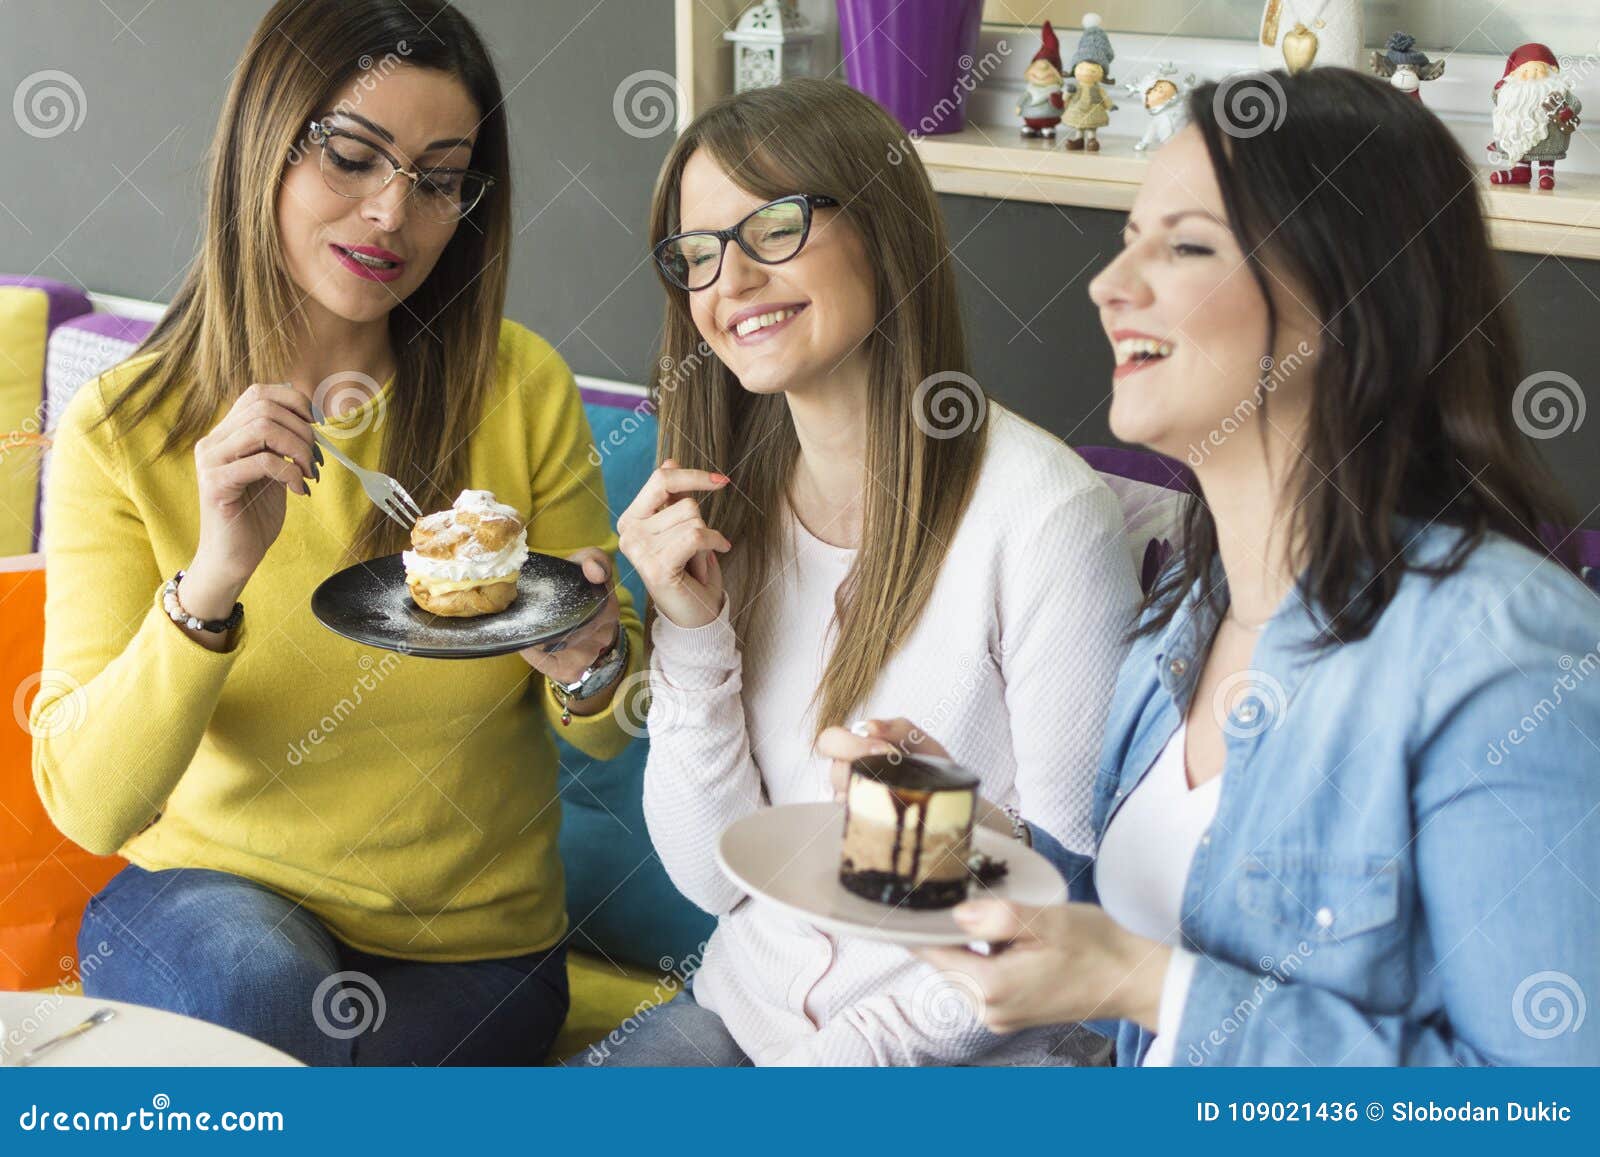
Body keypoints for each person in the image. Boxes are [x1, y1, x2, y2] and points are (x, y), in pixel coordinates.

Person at [826, 68, 1600, 1067]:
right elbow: (1144, 916)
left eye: (1187, 245)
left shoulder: (1508, 663)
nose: (1109, 285)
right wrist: (966, 838)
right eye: (1128, 239)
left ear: (1352, 298)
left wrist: (1146, 982)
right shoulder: (1187, 616)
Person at [32, 0, 642, 1066]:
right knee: (269, 999)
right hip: (209, 907)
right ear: (261, 144)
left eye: (439, 180)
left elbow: (607, 727)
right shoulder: (123, 429)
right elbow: (89, 804)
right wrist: (215, 576)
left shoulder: (521, 387)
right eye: (353, 157)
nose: (392, 213)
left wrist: (589, 660)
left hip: (475, 949)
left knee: (332, 1073)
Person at [589, 77, 1141, 1067]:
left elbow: (1066, 891)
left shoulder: (1045, 516)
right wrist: (691, 629)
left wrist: (836, 1066)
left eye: (774, 227)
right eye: (697, 254)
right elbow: (710, 876)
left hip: (963, 1054)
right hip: (737, 1014)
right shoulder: (726, 514)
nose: (728, 281)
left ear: (883, 230)